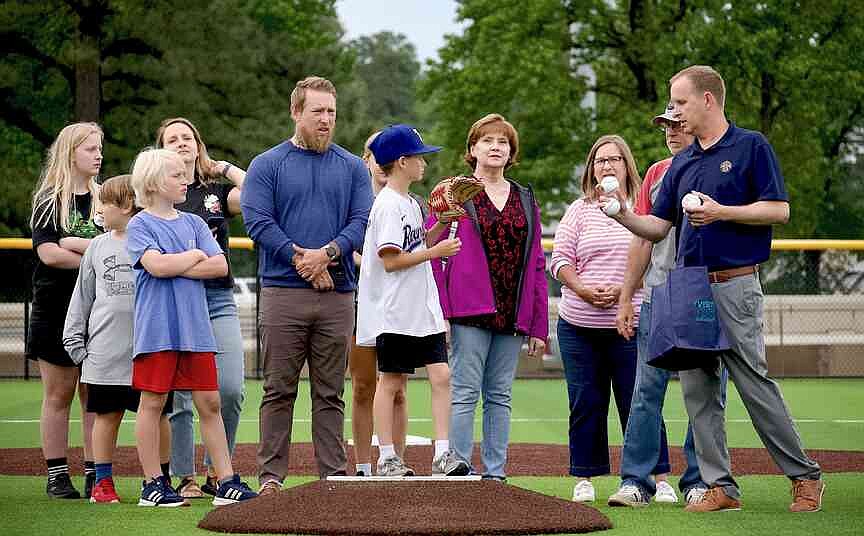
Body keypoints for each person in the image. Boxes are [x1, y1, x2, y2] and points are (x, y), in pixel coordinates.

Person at [605, 65, 824, 513]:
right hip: (690, 289)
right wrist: (621, 213)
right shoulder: (682, 162)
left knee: (752, 382)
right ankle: (719, 486)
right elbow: (657, 226)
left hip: (736, 285)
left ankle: (805, 476)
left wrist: (723, 212)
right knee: (697, 390)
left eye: (681, 103)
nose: (676, 112)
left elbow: (779, 210)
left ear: (708, 99)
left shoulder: (750, 146)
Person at [241, 76, 372, 492]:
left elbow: (361, 221)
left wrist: (327, 255)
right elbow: (259, 223)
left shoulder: (352, 167)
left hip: (337, 294)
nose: (326, 119)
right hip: (283, 292)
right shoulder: (267, 164)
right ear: (296, 112)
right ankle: (271, 477)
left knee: (330, 392)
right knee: (278, 389)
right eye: (317, 111)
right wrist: (303, 259)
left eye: (331, 112)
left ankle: (332, 475)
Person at [606, 105, 725, 508]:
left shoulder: (721, 166)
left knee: (705, 392)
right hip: (660, 293)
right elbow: (643, 239)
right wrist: (627, 297)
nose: (671, 133)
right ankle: (636, 482)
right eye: (665, 127)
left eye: (676, 125)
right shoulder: (657, 173)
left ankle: (700, 480)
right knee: (645, 391)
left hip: (707, 294)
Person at [126, 148, 256, 507]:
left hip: (197, 329)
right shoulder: (139, 224)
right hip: (157, 330)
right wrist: (194, 256)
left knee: (210, 403)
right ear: (153, 182)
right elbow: (155, 266)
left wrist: (178, 262)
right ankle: (153, 484)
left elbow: (219, 267)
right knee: (152, 402)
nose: (186, 179)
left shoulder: (195, 223)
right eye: (176, 175)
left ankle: (226, 481)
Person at [427, 114, 548, 481]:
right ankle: (460, 470)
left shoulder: (526, 198)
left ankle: (495, 475)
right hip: (468, 310)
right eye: (487, 141)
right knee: (464, 392)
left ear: (511, 152)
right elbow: (432, 251)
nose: (496, 147)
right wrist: (442, 314)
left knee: (499, 396)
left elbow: (538, 264)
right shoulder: (453, 193)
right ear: (472, 149)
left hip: (512, 311)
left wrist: (538, 325)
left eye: (503, 142)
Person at [357, 124, 469, 477]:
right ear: (402, 162)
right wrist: (435, 251)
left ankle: (443, 453)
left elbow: (415, 243)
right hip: (394, 311)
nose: (424, 163)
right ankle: (387, 457)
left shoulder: (409, 203)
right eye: (419, 157)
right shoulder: (388, 205)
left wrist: (443, 222)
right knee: (391, 380)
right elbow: (391, 260)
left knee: (442, 375)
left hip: (422, 309)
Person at [62, 175, 174, 504]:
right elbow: (82, 298)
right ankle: (102, 481)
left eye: (104, 204)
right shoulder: (97, 246)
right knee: (106, 416)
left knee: (158, 415)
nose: (99, 210)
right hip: (105, 353)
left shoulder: (156, 241)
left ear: (125, 205)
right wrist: (76, 344)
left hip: (149, 351)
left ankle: (159, 479)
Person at [155, 117, 247, 498]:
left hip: (217, 298)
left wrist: (222, 167)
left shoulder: (215, 192)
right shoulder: (157, 197)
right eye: (171, 139)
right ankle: (185, 476)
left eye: (187, 137)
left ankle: (217, 471)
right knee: (179, 396)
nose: (180, 143)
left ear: (198, 144)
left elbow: (259, 190)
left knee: (230, 389)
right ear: (160, 149)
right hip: (176, 300)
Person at [550, 134, 642, 503]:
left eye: (615, 159)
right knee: (585, 402)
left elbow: (651, 257)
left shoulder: (639, 207)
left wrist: (624, 292)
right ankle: (585, 477)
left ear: (627, 166)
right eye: (600, 160)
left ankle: (648, 477)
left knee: (637, 402)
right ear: (591, 169)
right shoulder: (578, 210)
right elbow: (559, 260)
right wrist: (583, 289)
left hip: (629, 323)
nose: (607, 165)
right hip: (579, 325)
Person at [28, 122, 102, 499]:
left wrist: (75, 244)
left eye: (99, 148)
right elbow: (49, 254)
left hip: (97, 311)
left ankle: (95, 471)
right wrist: (94, 253)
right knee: (58, 395)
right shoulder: (49, 199)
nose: (98, 155)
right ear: (71, 152)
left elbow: (119, 247)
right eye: (90, 148)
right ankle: (57, 473)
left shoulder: (106, 199)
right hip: (55, 306)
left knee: (94, 394)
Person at [348, 132, 412, 477]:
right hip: (363, 301)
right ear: (367, 160)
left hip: (398, 304)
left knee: (397, 386)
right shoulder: (356, 201)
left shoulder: (406, 201)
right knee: (362, 385)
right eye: (377, 154)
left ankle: (395, 461)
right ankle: (362, 466)